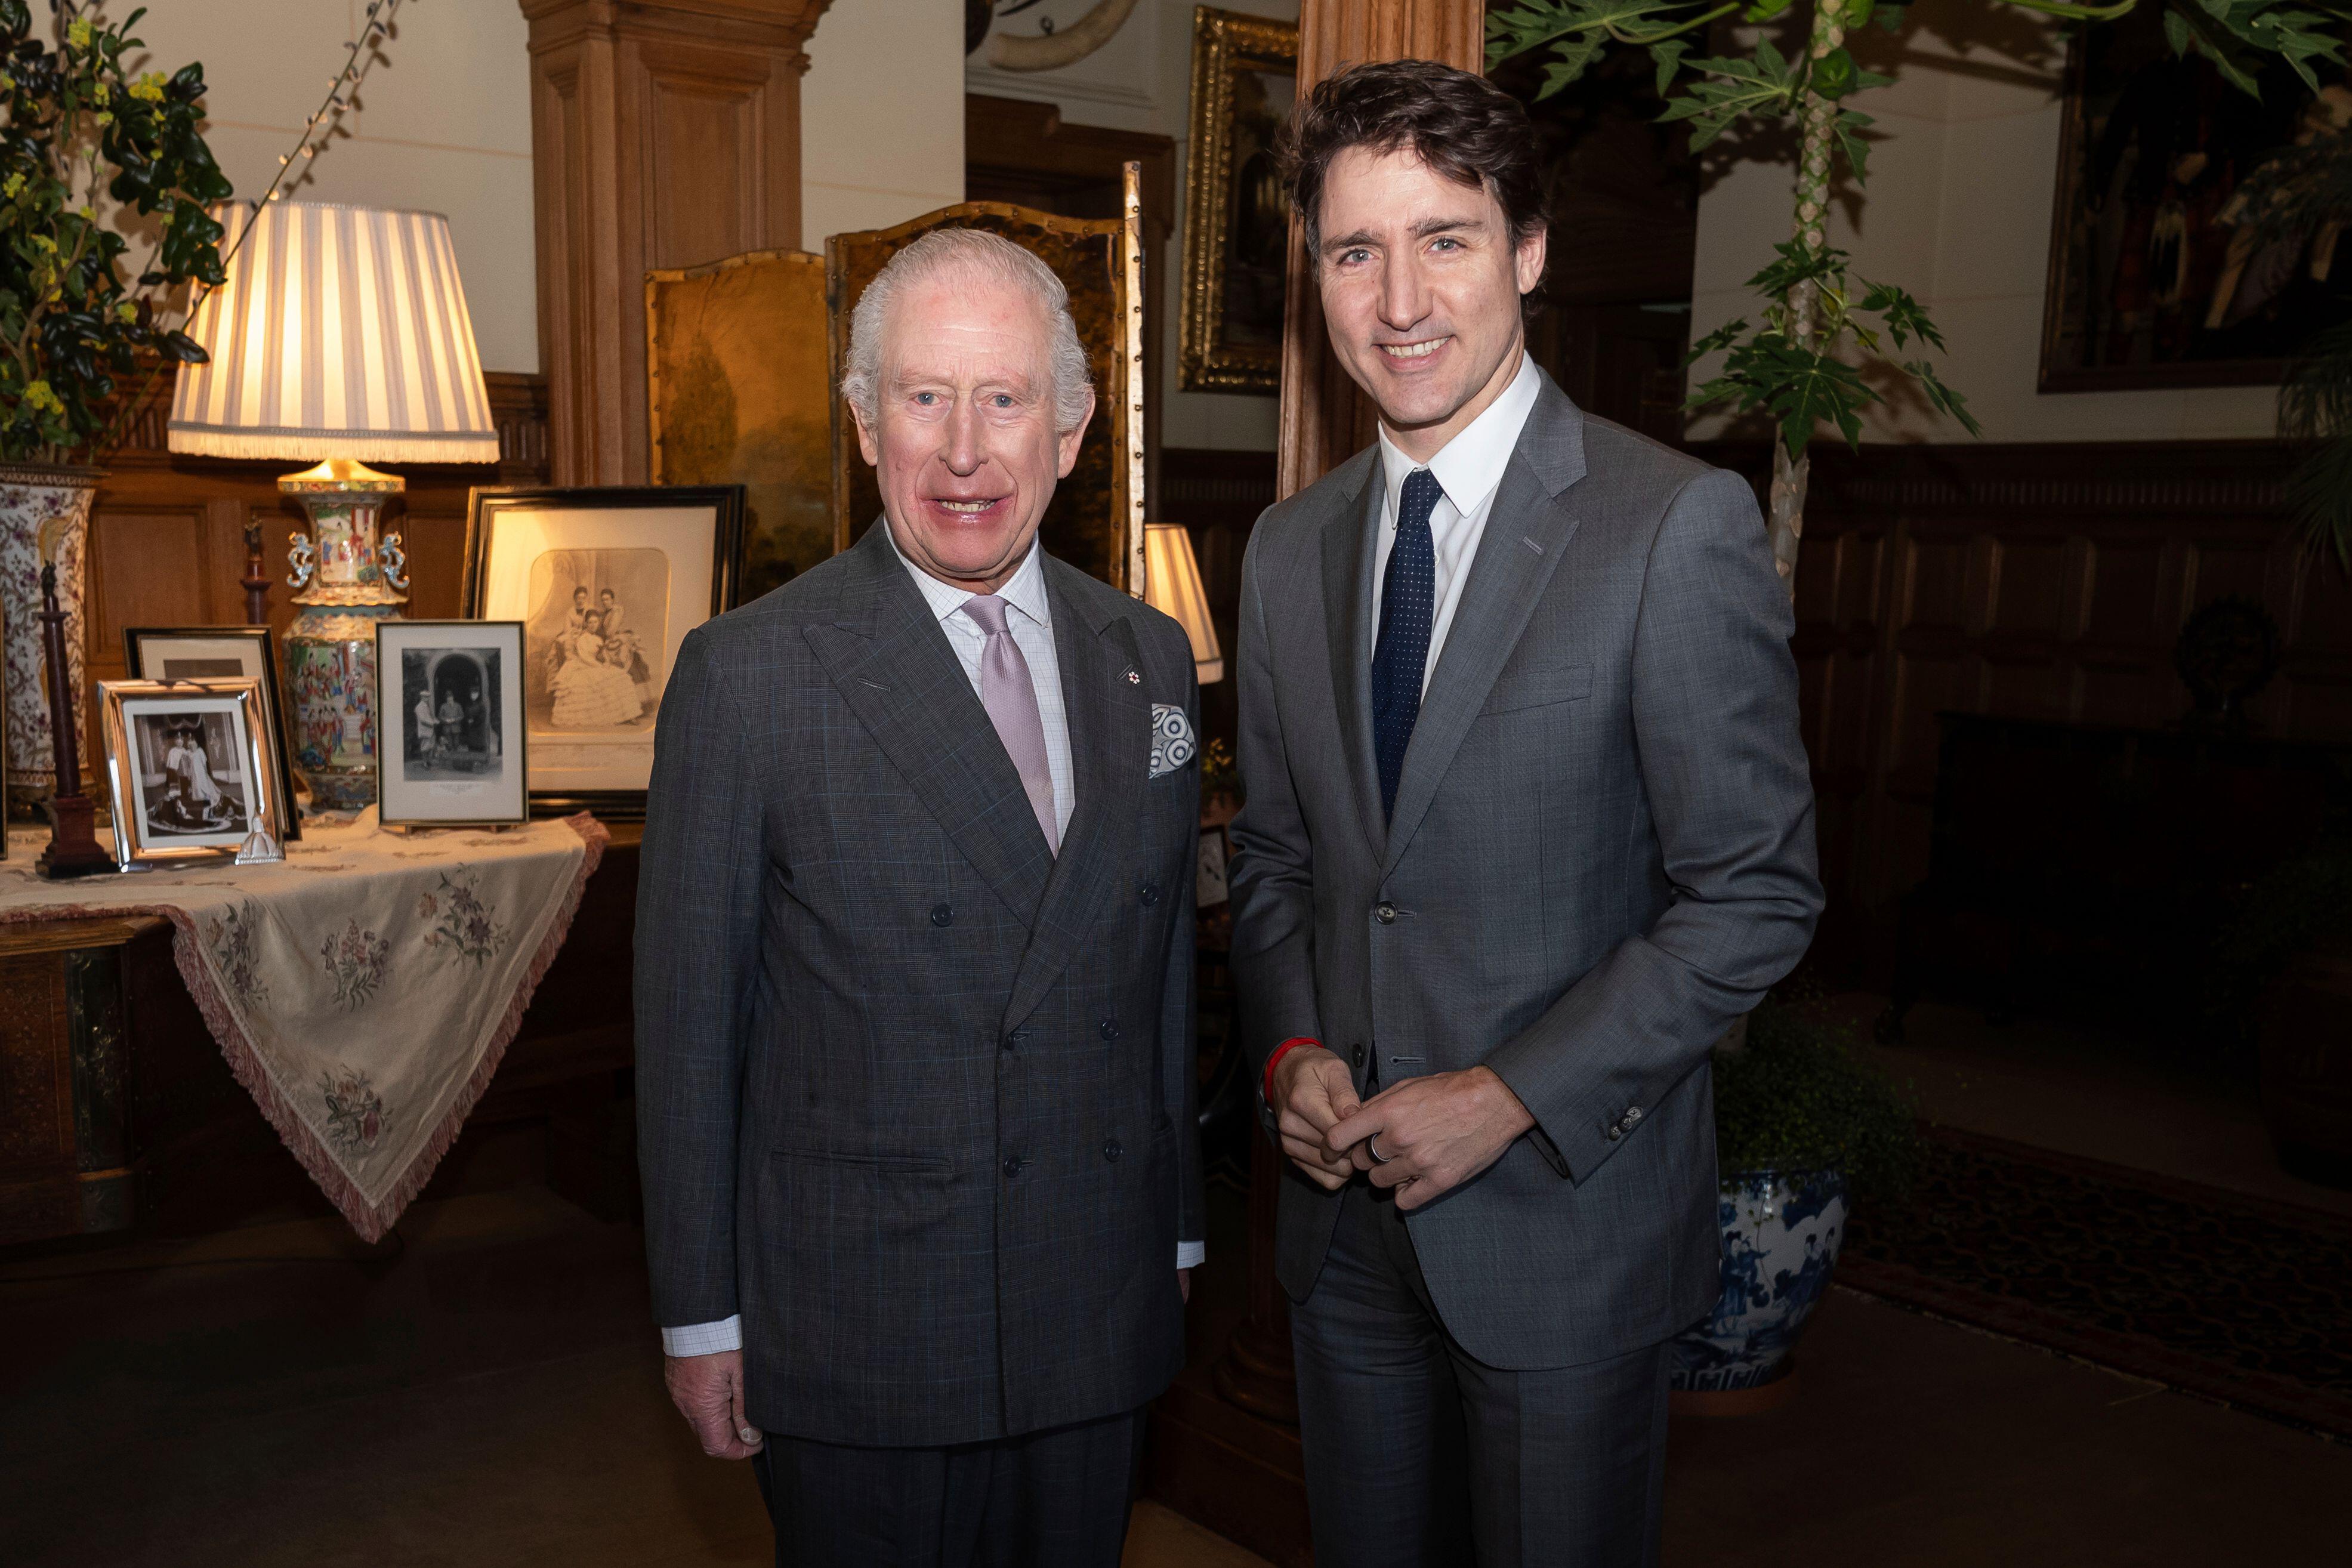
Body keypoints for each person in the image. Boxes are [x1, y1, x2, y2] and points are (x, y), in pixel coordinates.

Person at [1226, 60, 1823, 1567]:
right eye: (1355, 251)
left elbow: (1755, 895)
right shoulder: (1287, 551)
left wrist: (1511, 1092)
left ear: (1530, 252)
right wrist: (1292, 1051)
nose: (1399, 300)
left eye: (1447, 239)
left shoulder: (1670, 525)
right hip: (1340, 1236)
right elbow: (1281, 861)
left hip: (1565, 1228)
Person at [635, 226, 1205, 1568]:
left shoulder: (1150, 657)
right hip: (866, 1320)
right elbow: (688, 1031)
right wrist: (701, 1317)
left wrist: (1178, 1226)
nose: (964, 451)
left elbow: (1162, 972)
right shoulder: (751, 675)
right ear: (863, 424)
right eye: (924, 397)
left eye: (1004, 399)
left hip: (1095, 1288)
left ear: (1069, 432)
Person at [548, 629, 641, 728]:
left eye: (595, 622)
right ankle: (601, 717)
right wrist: (598, 665)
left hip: (595, 664)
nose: (593, 625)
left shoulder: (597, 639)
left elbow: (604, 656)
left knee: (622, 676)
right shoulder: (582, 639)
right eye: (590, 623)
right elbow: (585, 658)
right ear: (586, 624)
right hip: (582, 665)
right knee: (590, 682)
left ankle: (629, 714)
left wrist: (606, 662)